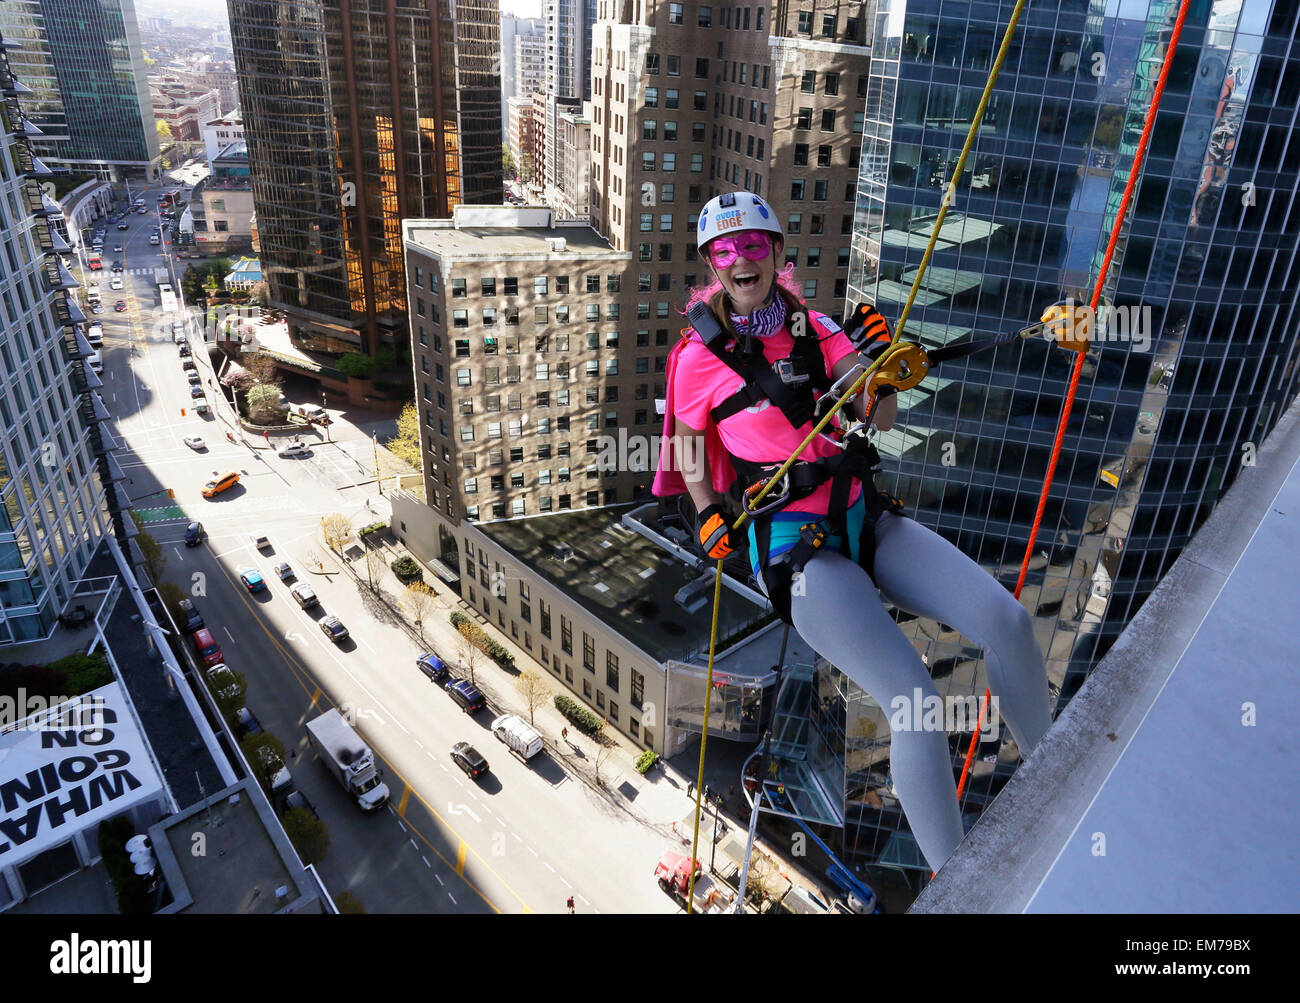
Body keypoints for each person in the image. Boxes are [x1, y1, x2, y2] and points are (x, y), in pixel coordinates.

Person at [653, 190, 1052, 874]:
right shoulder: (698, 359)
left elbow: (883, 415)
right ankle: (963, 887)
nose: (740, 259)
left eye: (753, 245)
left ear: (776, 254)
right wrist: (706, 509)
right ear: (712, 267)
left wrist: (879, 363)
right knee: (912, 698)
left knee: (1008, 620)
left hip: (864, 516)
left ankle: (1059, 777)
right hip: (796, 551)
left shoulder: (816, 329)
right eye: (724, 250)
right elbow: (689, 443)